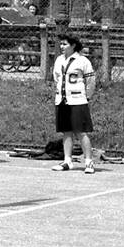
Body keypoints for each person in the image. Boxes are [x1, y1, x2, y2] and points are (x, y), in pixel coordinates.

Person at [52, 32, 98, 173]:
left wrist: (86, 97)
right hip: (62, 100)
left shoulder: (83, 61)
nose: (62, 46)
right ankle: (67, 160)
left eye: (65, 44)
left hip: (78, 100)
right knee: (66, 131)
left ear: (73, 45)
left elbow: (90, 82)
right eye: (61, 44)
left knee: (81, 132)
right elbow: (56, 78)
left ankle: (89, 161)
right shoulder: (59, 59)